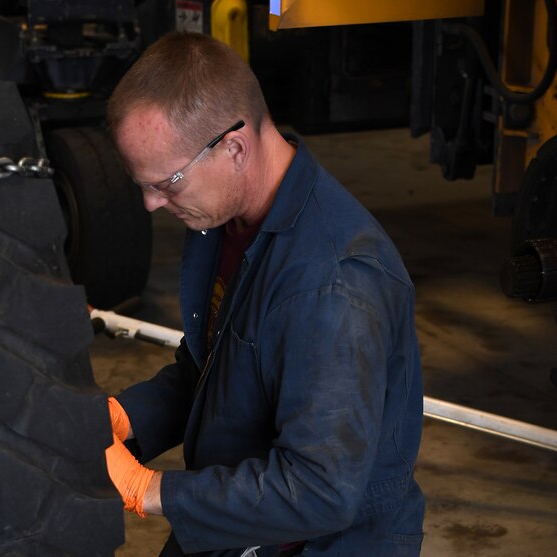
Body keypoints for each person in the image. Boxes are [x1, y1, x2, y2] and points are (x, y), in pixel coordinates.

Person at [103, 32, 425, 557]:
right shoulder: (229, 222)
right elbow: (221, 369)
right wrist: (127, 416)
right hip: (244, 525)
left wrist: (151, 491)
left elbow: (321, 491)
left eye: (168, 182)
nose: (150, 204)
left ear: (234, 146)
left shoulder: (333, 287)